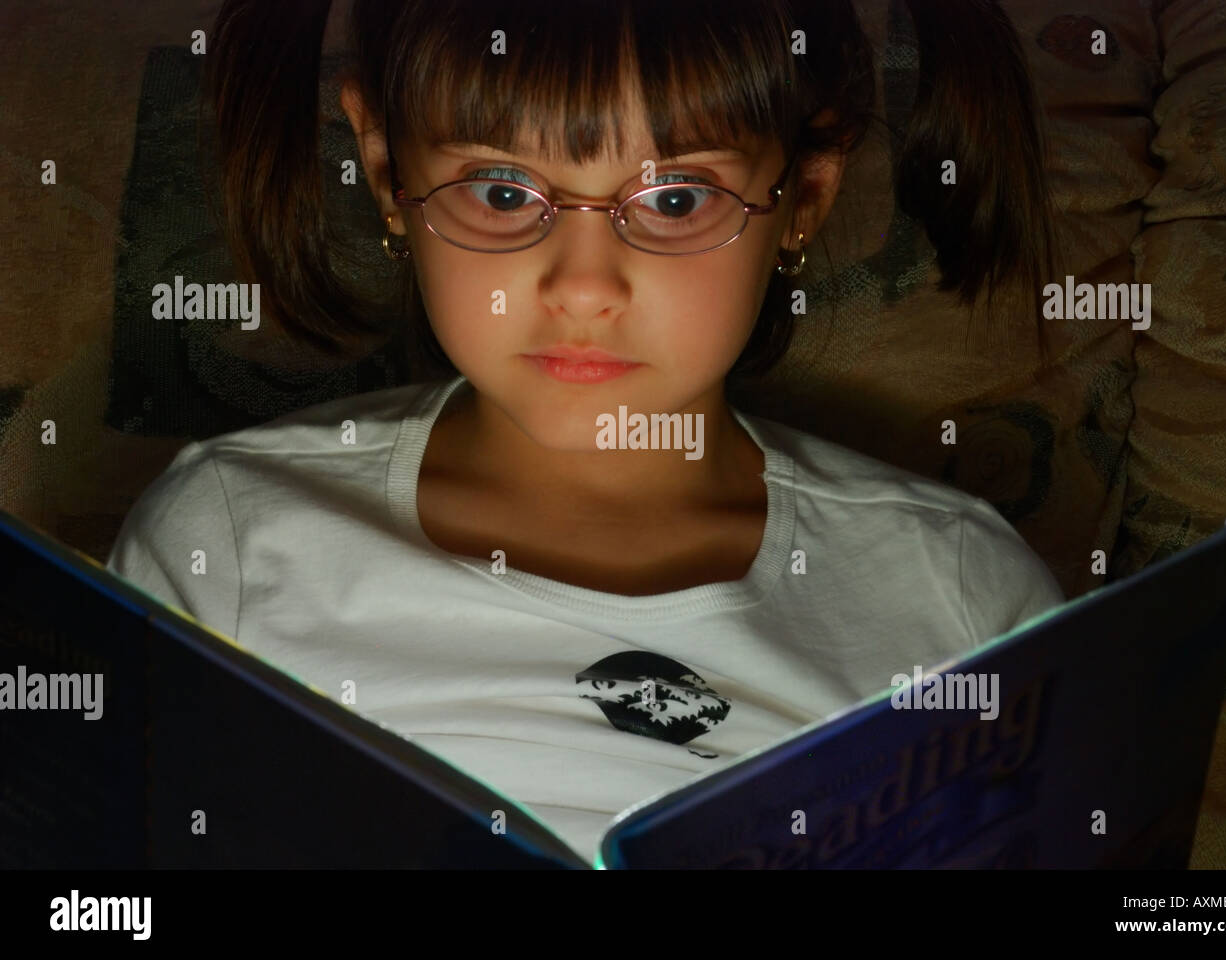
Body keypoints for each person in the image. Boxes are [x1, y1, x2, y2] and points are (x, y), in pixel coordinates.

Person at [107, 0, 1065, 866]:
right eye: (502, 190)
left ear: (806, 192)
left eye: (676, 199)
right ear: (389, 167)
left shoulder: (958, 600)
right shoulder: (229, 549)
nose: (583, 287)